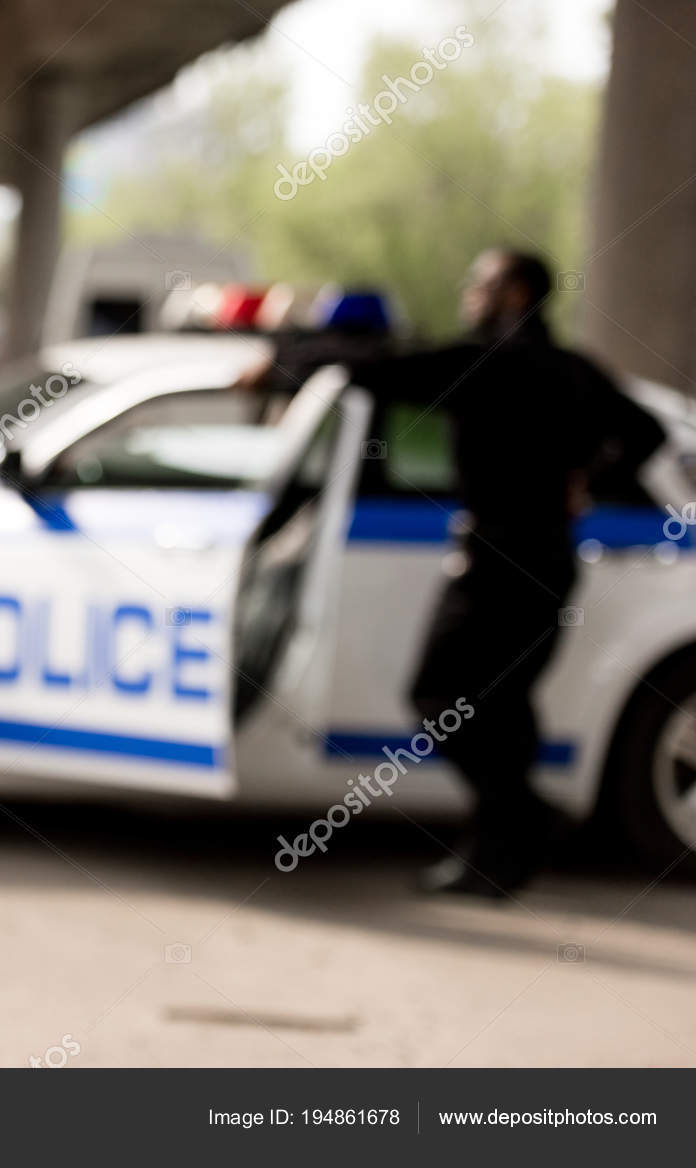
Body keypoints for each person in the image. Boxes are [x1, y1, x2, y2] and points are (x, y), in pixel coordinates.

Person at [240, 249, 664, 898]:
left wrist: (280, 361)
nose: (470, 294)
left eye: (481, 284)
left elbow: (377, 368)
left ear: (516, 293)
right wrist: (587, 479)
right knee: (505, 703)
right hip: (552, 559)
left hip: (496, 562)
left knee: (440, 696)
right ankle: (500, 856)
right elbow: (646, 433)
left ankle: (523, 818)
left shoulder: (488, 363)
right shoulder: (575, 370)